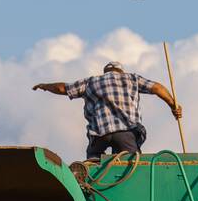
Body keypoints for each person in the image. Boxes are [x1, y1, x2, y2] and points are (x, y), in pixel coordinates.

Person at [33, 61, 182, 160]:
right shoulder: (131, 79)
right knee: (130, 165)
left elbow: (62, 88)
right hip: (126, 133)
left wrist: (44, 86)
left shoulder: (91, 82)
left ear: (105, 72)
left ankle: (92, 182)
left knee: (93, 161)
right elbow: (157, 88)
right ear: (120, 71)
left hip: (100, 134)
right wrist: (173, 105)